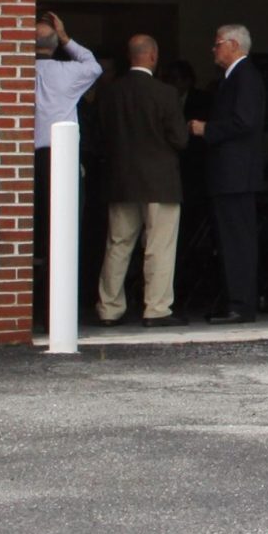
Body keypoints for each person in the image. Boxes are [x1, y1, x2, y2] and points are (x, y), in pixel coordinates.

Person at [94, 35, 189, 327]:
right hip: (159, 181)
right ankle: (156, 308)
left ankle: (109, 308)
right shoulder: (165, 93)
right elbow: (180, 140)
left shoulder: (110, 93)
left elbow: (101, 136)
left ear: (130, 56)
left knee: (118, 245)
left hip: (121, 179)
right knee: (158, 246)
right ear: (153, 55)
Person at [191, 24, 267, 324]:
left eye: (217, 42)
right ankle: (233, 300)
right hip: (229, 175)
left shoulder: (245, 76)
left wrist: (206, 129)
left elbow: (243, 121)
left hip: (237, 175)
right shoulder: (232, 77)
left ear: (234, 44)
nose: (213, 48)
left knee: (238, 241)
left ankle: (241, 304)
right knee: (228, 240)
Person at [33, 11, 104, 327]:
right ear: (55, 44)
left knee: (31, 236)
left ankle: (29, 307)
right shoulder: (70, 72)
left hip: (25, 162)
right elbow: (94, 65)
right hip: (60, 160)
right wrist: (65, 37)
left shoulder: (11, 71)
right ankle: (59, 313)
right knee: (63, 234)